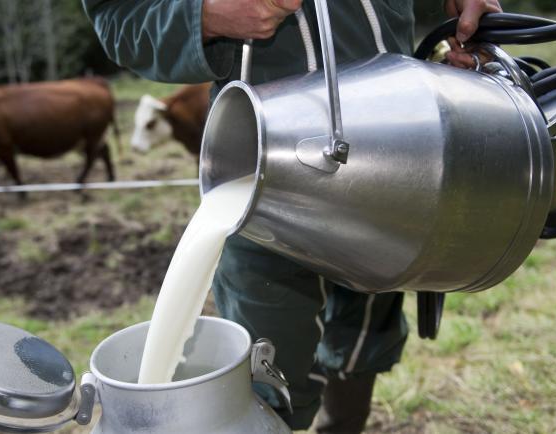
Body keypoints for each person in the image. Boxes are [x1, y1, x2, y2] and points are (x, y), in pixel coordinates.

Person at [82, 0, 500, 432]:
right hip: (264, 162)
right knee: (266, 362)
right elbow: (119, 16)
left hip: (400, 147)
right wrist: (205, 15)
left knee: (362, 335)